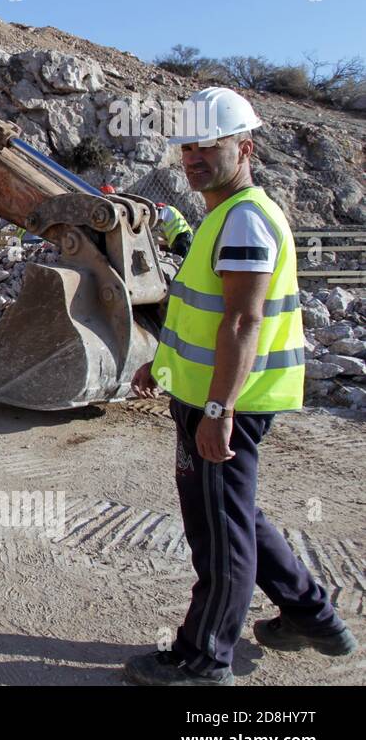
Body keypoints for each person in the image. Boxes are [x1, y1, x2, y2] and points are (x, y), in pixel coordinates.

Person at [124, 88, 356, 685]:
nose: (195, 157)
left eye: (211, 145)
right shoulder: (223, 216)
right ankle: (313, 616)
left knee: (218, 534)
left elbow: (241, 320)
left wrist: (219, 409)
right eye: (188, 147)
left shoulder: (246, 217)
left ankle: (203, 659)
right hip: (209, 395)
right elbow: (203, 312)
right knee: (235, 514)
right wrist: (164, 367)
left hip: (229, 403)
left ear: (244, 147)